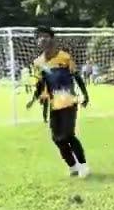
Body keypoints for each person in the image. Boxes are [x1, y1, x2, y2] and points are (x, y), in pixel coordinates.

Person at [25, 26, 91, 177]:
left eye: (45, 36)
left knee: (68, 135)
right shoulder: (38, 63)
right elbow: (40, 84)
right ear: (37, 42)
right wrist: (33, 100)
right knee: (57, 138)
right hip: (54, 104)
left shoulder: (65, 57)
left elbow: (77, 77)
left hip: (69, 101)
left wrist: (85, 95)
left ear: (52, 39)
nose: (42, 39)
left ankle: (83, 165)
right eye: (39, 37)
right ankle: (73, 166)